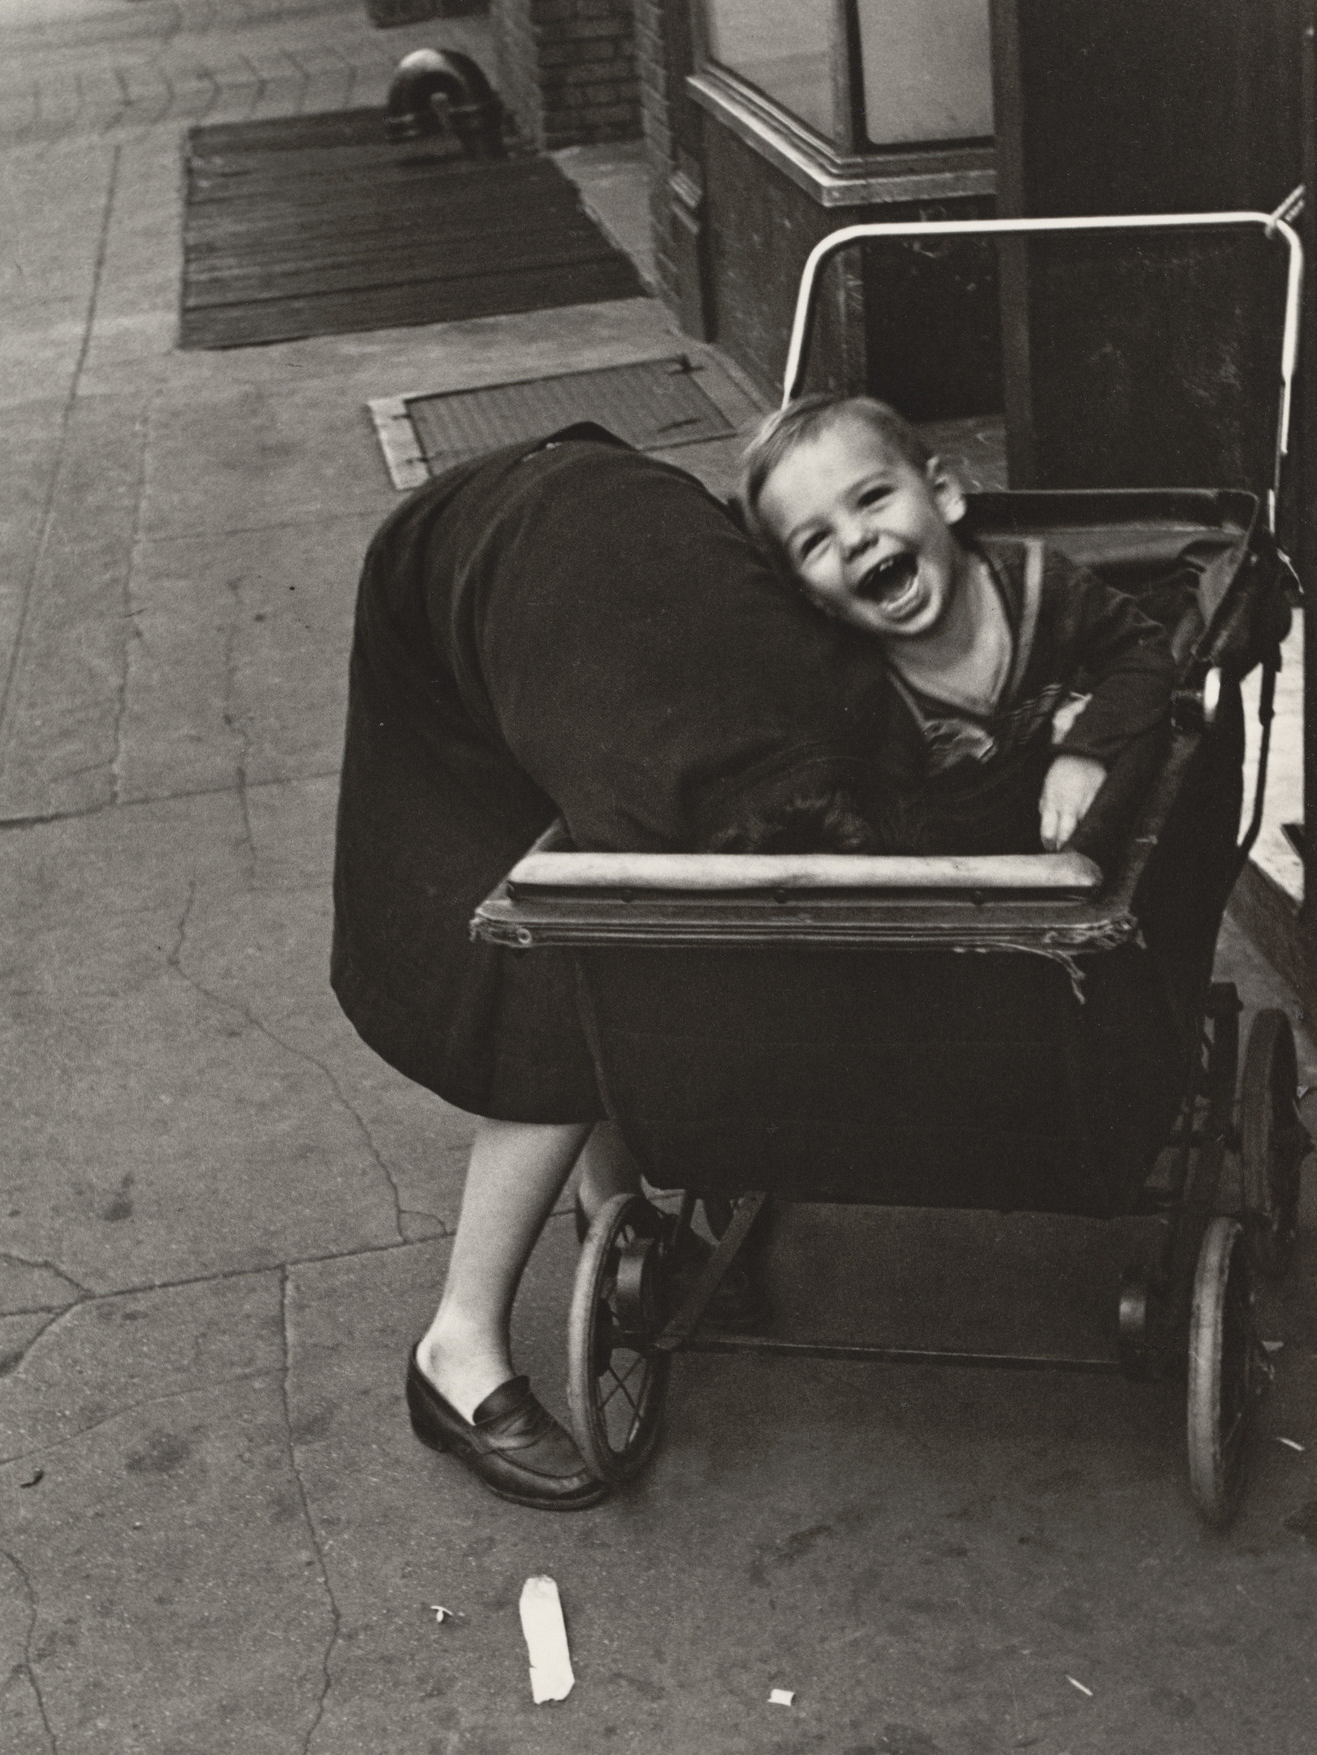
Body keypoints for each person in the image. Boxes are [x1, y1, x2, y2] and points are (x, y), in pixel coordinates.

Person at [331, 425, 883, 1511]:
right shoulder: (660, 756)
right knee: (561, 982)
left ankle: (611, 1212)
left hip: (587, 563)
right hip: (463, 579)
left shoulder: (798, 685)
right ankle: (455, 1353)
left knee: (610, 953)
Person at [739, 393, 1177, 857]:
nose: (854, 538)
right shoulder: (864, 689)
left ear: (943, 494)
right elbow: (894, 840)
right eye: (815, 542)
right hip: (978, 888)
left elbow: (1143, 650)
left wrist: (1086, 750)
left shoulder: (1040, 583)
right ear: (812, 598)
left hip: (1087, 840)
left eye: (872, 498)